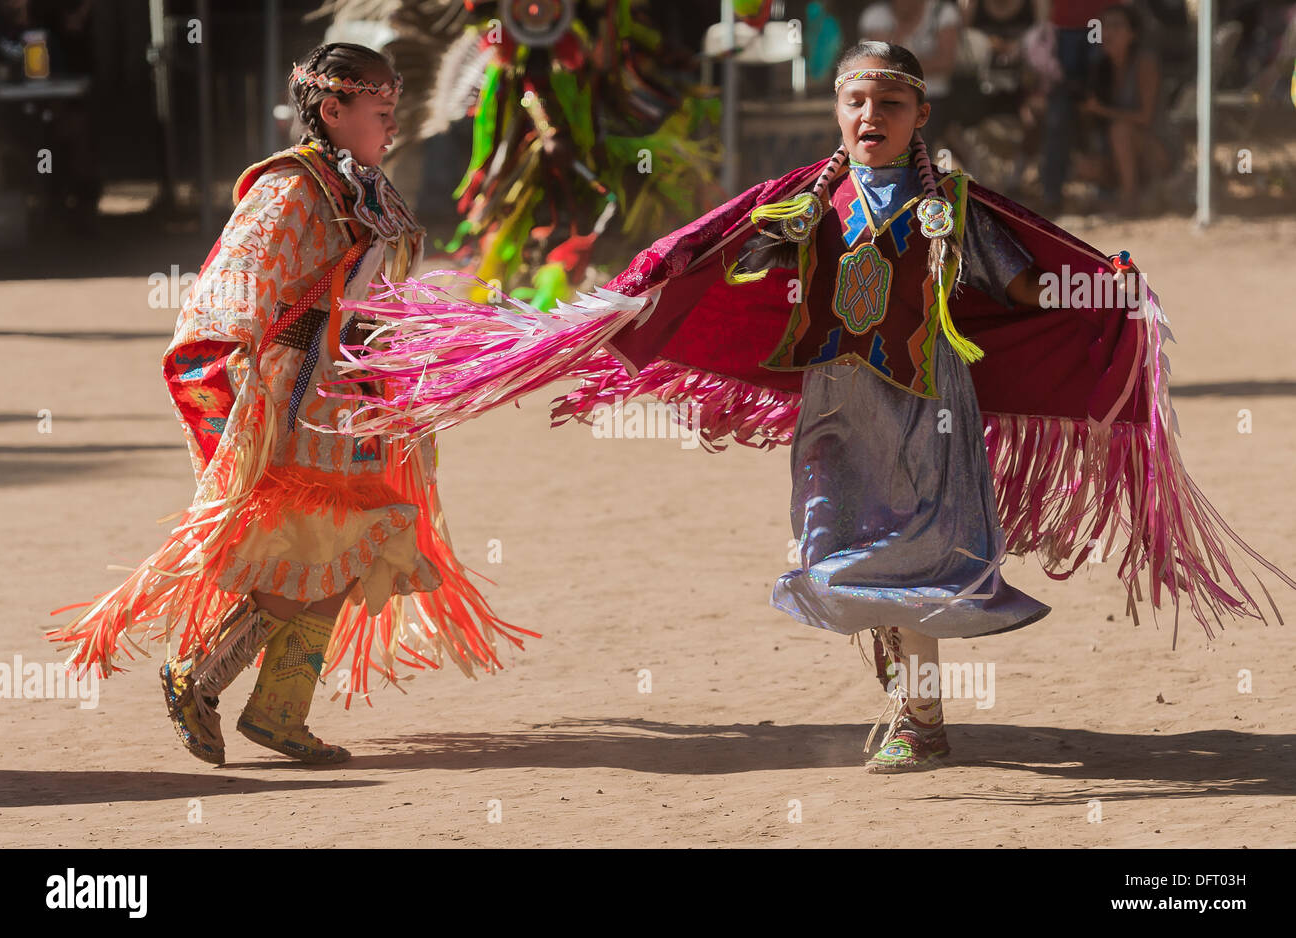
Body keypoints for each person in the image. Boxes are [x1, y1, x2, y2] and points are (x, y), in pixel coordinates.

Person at [327, 41, 1296, 774]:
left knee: (904, 561)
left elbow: (1020, 285)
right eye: (855, 99)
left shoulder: (948, 203)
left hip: (924, 407)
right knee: (836, 552)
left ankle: (918, 720)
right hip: (836, 406)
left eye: (889, 101)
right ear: (837, 112)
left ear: (919, 114)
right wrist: (666, 286)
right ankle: (907, 705)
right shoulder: (808, 202)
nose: (869, 112)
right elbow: (732, 268)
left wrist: (1102, 291)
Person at [48, 42, 535, 766]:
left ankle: (278, 708)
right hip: (303, 395)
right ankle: (200, 675)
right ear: (332, 111)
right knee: (322, 543)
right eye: (380, 110)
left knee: (346, 549)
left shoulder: (368, 185)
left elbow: (381, 291)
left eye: (394, 109)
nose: (391, 125)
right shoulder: (291, 187)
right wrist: (240, 371)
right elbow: (234, 285)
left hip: (356, 397)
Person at [1078, 3, 1174, 213]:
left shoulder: (1145, 63)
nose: (1108, 32)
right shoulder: (1102, 68)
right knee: (1085, 166)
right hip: (1121, 153)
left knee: (1120, 131)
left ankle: (1129, 199)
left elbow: (1145, 118)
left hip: (1157, 150)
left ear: (1132, 34)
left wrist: (1101, 110)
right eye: (1104, 26)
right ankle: (1120, 195)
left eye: (1116, 26)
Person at [858, 0, 963, 153]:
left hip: (936, 100)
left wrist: (901, 67)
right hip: (888, 98)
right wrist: (902, 27)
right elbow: (881, 63)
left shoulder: (943, 12)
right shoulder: (875, 16)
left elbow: (946, 62)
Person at [1039, 0, 1113, 213]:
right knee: (1059, 118)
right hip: (1065, 30)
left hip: (1106, 22)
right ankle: (1052, 194)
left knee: (1103, 115)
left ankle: (1107, 191)